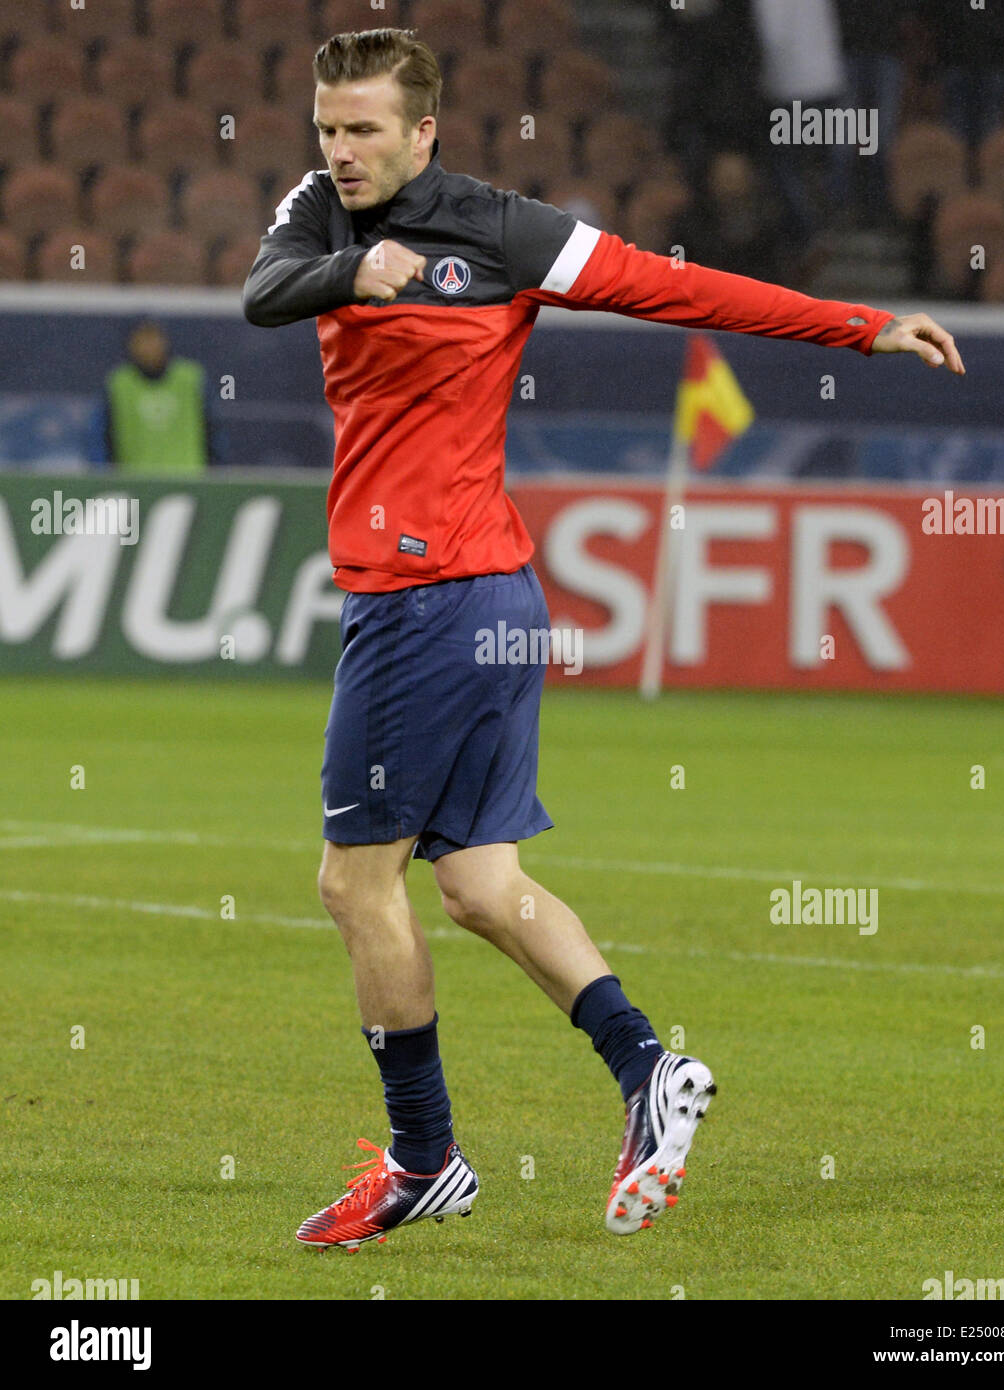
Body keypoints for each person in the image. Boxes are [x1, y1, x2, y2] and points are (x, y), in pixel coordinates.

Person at [242, 27, 964, 1252]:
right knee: (477, 881)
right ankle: (647, 1072)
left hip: (435, 601)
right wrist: (350, 277)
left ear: (424, 132)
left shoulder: (509, 232)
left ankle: (424, 1158)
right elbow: (262, 292)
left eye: (364, 129)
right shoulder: (318, 212)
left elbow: (677, 287)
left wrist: (857, 325)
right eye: (327, 127)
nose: (340, 150)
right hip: (476, 599)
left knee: (351, 882)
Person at [102, 320, 212, 475]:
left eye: (154, 339)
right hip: (134, 481)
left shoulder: (191, 379)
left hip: (188, 480)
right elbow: (102, 436)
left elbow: (213, 431)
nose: (149, 348)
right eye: (142, 341)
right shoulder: (119, 384)